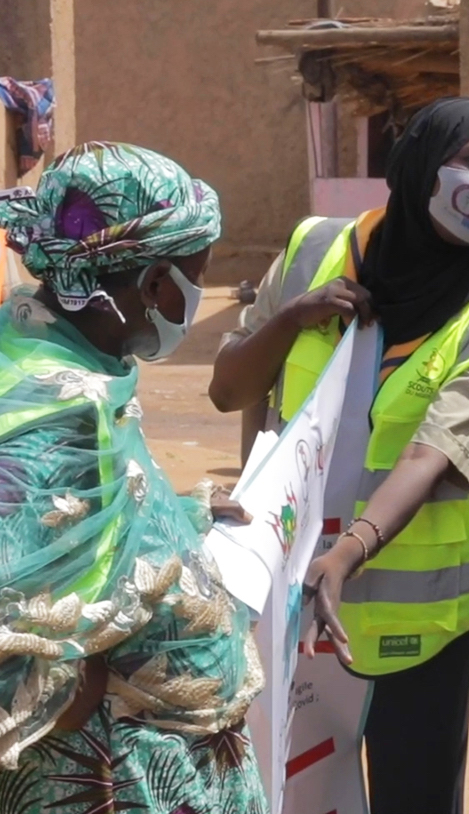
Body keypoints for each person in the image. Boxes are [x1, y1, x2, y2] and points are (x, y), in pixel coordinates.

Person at [208, 97, 469, 813]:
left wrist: (349, 552)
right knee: (290, 797)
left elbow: (432, 455)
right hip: (291, 609)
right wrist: (291, 317)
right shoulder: (312, 251)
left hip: (415, 628)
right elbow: (229, 386)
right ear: (421, 163)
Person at [0, 142, 268, 813]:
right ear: (152, 285)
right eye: (193, 276)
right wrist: (83, 684)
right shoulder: (56, 408)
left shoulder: (56, 349)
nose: (194, 298)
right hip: (118, 779)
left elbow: (69, 519)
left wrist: (174, 518)